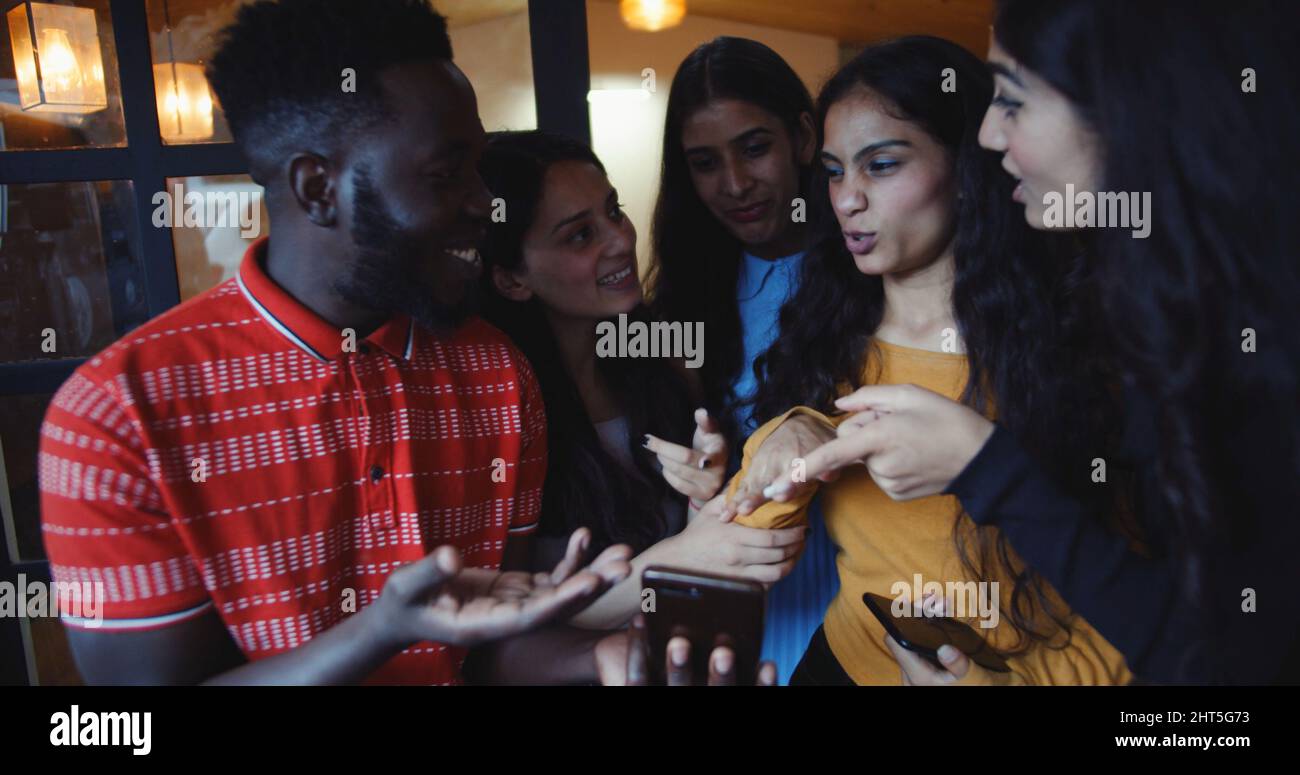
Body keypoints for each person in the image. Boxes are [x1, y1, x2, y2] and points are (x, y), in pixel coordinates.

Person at [36, 0, 630, 685]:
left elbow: (487, 648)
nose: (483, 202)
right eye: (447, 175)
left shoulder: (496, 372)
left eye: (481, 169)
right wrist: (379, 631)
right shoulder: (115, 417)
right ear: (318, 188)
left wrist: (605, 658)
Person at [786, 0, 1300, 684]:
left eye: (1016, 102)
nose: (990, 137)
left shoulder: (1217, 346)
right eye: (833, 170)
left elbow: (1214, 694)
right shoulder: (1153, 295)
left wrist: (986, 465)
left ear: (1127, 104)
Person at [722, 36, 1133, 685]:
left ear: (966, 169)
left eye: (880, 165)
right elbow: (757, 534)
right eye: (833, 171)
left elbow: (1139, 606)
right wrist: (788, 432)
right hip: (844, 665)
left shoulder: (1076, 345)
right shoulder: (828, 327)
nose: (847, 198)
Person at [476, 130, 803, 632]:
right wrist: (681, 556)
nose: (621, 239)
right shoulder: (496, 407)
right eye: (579, 235)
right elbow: (511, 633)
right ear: (511, 279)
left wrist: (703, 490)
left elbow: (701, 556)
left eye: (613, 210)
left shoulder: (665, 356)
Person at [646, 36, 838, 683]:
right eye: (704, 162)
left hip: (864, 612)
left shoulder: (868, 266)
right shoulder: (686, 295)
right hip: (738, 615)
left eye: (754, 147)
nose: (733, 184)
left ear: (803, 138)